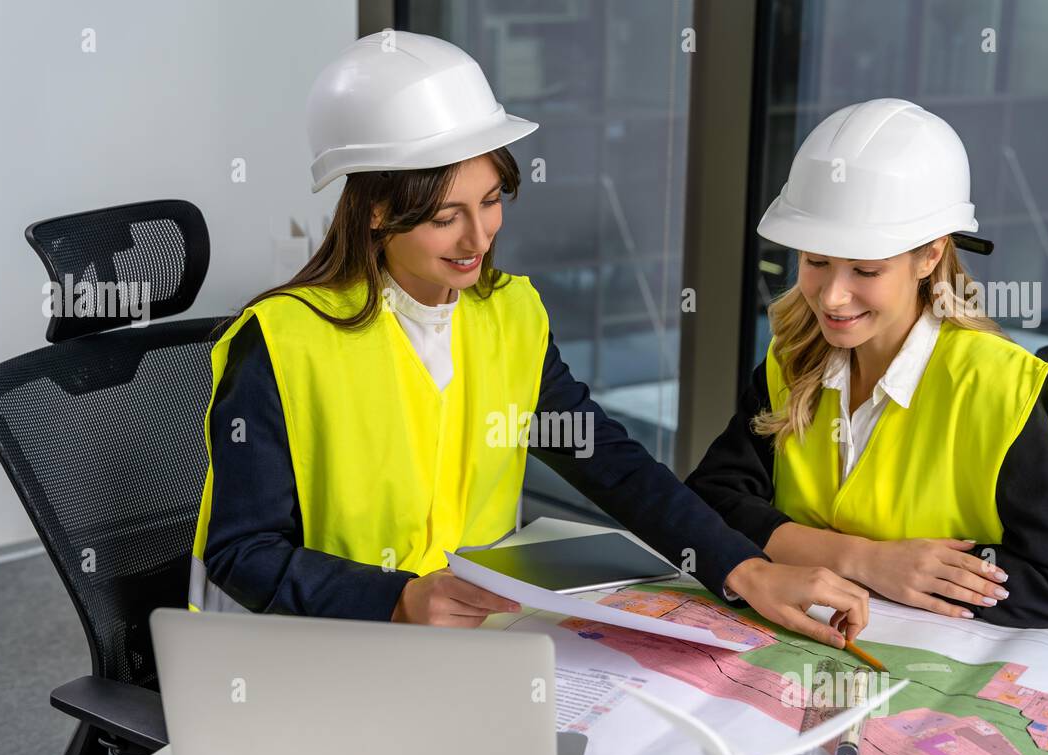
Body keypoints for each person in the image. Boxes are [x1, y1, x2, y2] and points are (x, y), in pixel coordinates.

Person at [187, 31, 871, 648]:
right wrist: (397, 598)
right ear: (375, 211)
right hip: (325, 653)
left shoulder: (510, 317)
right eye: (446, 217)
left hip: (470, 644)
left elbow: (613, 466)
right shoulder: (280, 343)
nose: (477, 239)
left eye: (490, 202)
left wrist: (745, 571)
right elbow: (242, 551)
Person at [686, 98, 1048, 629]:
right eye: (816, 261)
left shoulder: (1000, 388)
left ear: (929, 256)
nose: (833, 297)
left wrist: (832, 555)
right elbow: (708, 500)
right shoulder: (793, 357)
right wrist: (864, 561)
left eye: (865, 269)